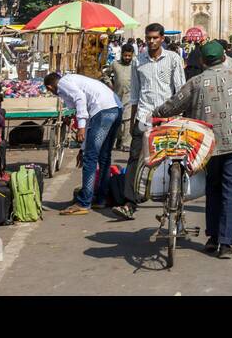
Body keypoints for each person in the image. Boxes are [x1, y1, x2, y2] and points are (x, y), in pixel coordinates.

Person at [154, 40, 232, 259]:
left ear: (201, 60)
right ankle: (225, 244)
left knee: (213, 189)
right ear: (224, 57)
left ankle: (213, 237)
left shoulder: (195, 82)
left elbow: (173, 105)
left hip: (207, 146)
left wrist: (157, 112)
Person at [112, 25, 185, 219]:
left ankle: (173, 202)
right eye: (148, 38)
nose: (151, 41)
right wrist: (135, 120)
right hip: (144, 116)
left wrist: (178, 117)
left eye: (154, 38)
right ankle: (129, 202)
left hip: (168, 118)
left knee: (171, 160)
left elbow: (180, 92)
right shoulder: (138, 61)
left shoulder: (173, 59)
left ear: (162, 38)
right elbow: (135, 94)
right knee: (135, 159)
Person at [45, 71, 122, 216]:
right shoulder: (74, 81)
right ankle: (101, 198)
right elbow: (88, 120)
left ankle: (84, 202)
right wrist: (83, 148)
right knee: (104, 157)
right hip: (115, 108)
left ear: (50, 87)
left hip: (104, 110)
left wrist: (80, 129)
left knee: (90, 157)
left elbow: (80, 100)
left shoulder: (63, 83)